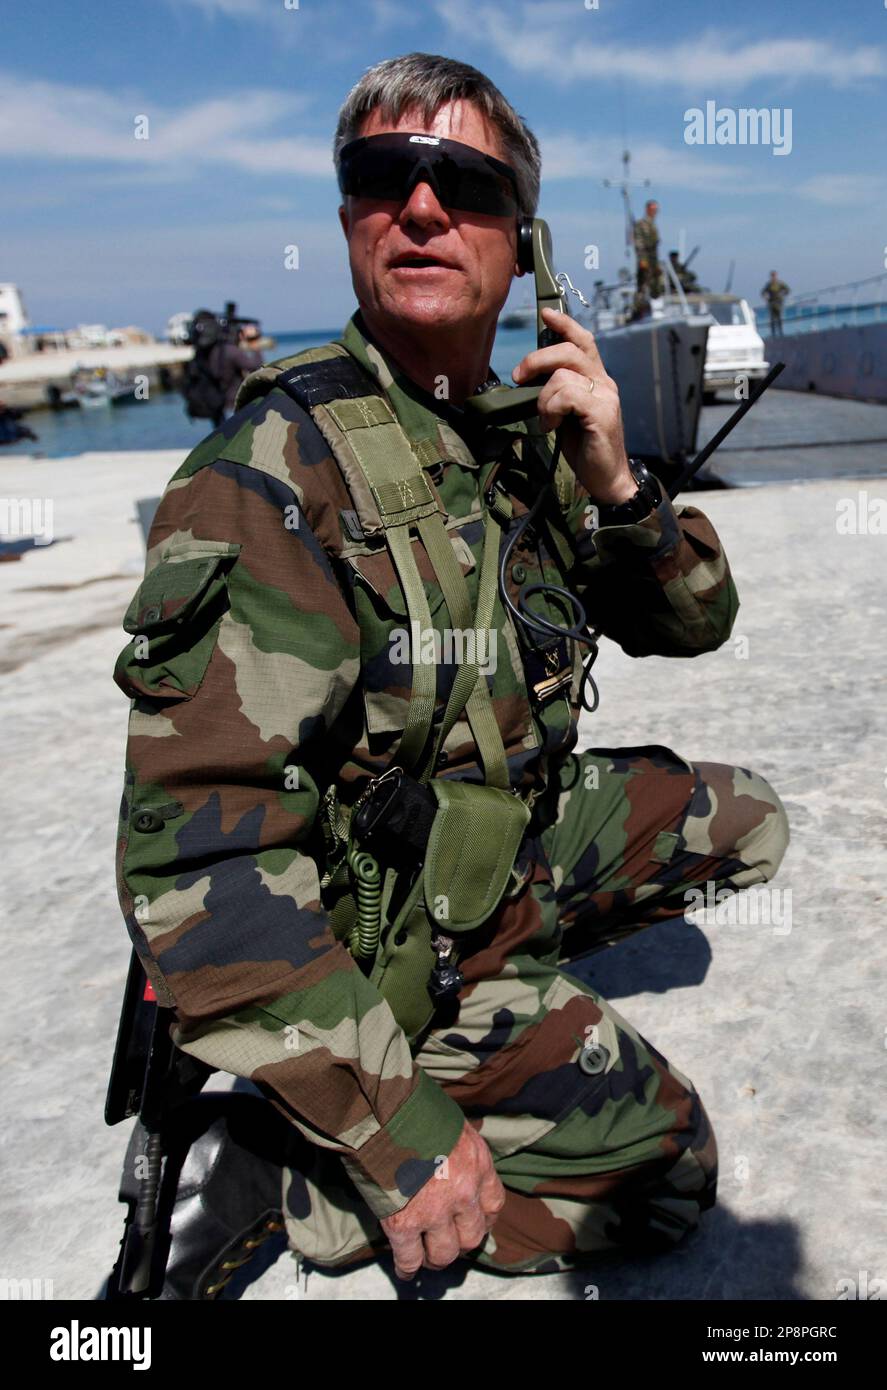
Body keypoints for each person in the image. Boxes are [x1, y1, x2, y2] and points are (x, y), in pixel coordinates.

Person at [113, 52, 789, 1291]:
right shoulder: (272, 467)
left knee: (746, 825)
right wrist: (397, 1132)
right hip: (380, 927)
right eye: (385, 176)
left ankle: (506, 975)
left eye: (464, 184)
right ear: (348, 219)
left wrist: (618, 484)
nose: (421, 208)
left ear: (520, 243)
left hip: (500, 844)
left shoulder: (505, 428)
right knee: (667, 1175)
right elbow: (196, 863)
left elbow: (695, 624)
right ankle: (302, 1168)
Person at [632, 198, 663, 314]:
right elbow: (639, 243)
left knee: (656, 283)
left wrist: (657, 264)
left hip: (653, 259)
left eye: (656, 210)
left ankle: (656, 306)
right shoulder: (641, 224)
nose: (655, 212)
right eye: (653, 209)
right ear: (647, 209)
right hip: (645, 259)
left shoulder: (652, 225)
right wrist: (642, 260)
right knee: (643, 283)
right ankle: (637, 309)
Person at [761, 271, 790, 336]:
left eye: (774, 275)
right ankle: (773, 334)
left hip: (778, 303)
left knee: (779, 319)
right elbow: (763, 292)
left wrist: (782, 294)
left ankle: (781, 332)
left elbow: (787, 290)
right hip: (771, 303)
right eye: (772, 276)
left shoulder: (780, 284)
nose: (773, 277)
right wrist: (766, 297)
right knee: (772, 320)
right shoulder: (769, 285)